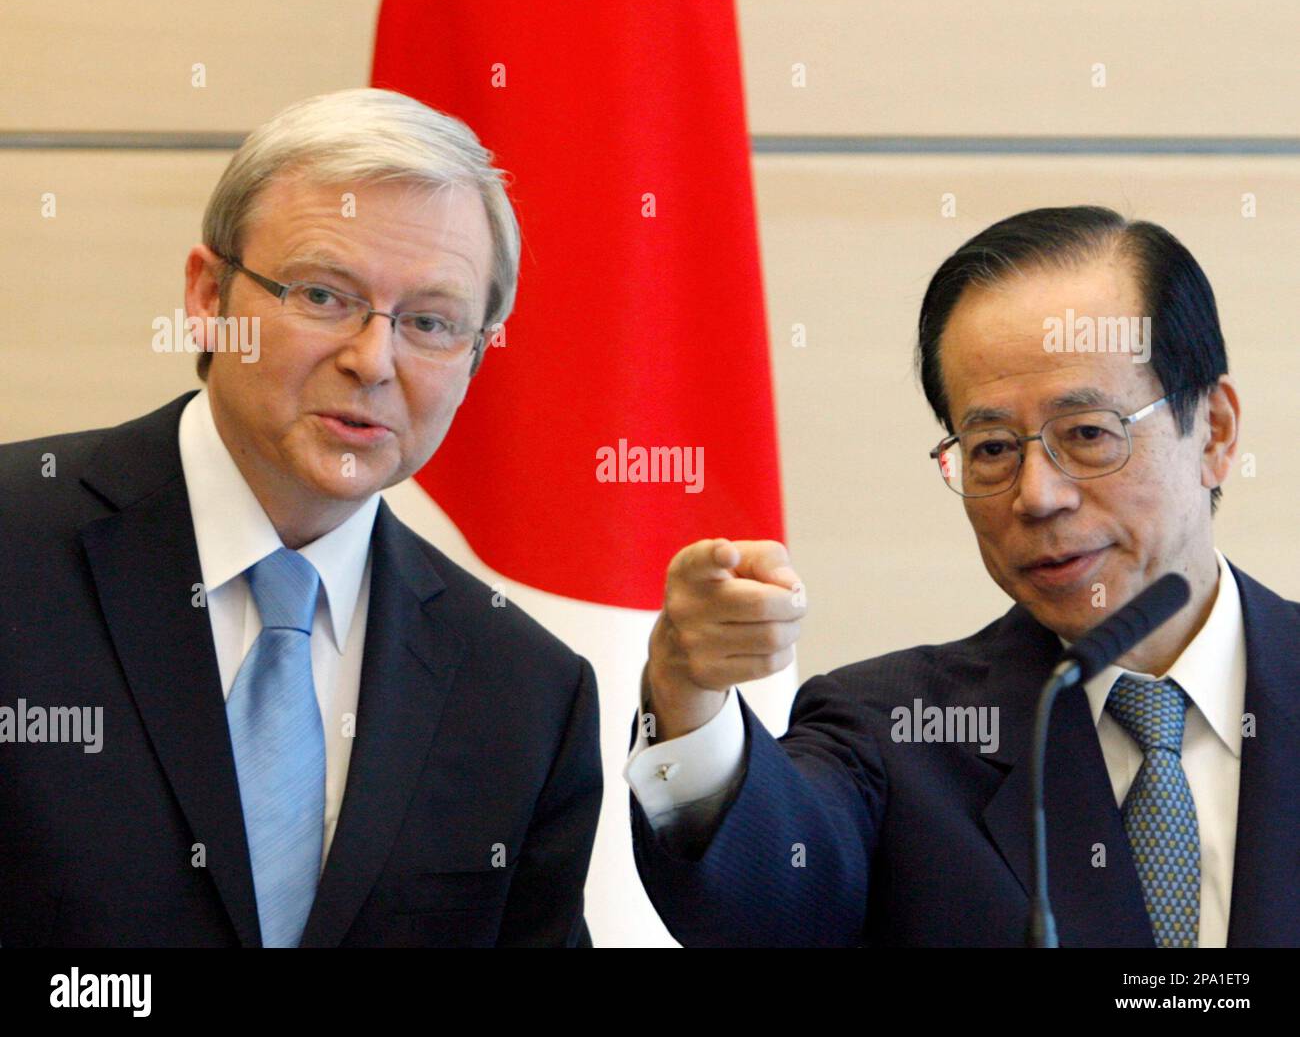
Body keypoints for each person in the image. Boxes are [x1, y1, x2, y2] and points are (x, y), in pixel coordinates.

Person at [0, 88, 601, 948]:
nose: (372, 359)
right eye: (323, 296)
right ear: (208, 296)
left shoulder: (526, 692)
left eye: (431, 322)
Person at [626, 205, 1299, 947]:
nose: (1037, 495)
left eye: (1086, 434)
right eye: (991, 449)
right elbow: (760, 906)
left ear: (1215, 433)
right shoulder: (896, 734)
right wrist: (687, 691)